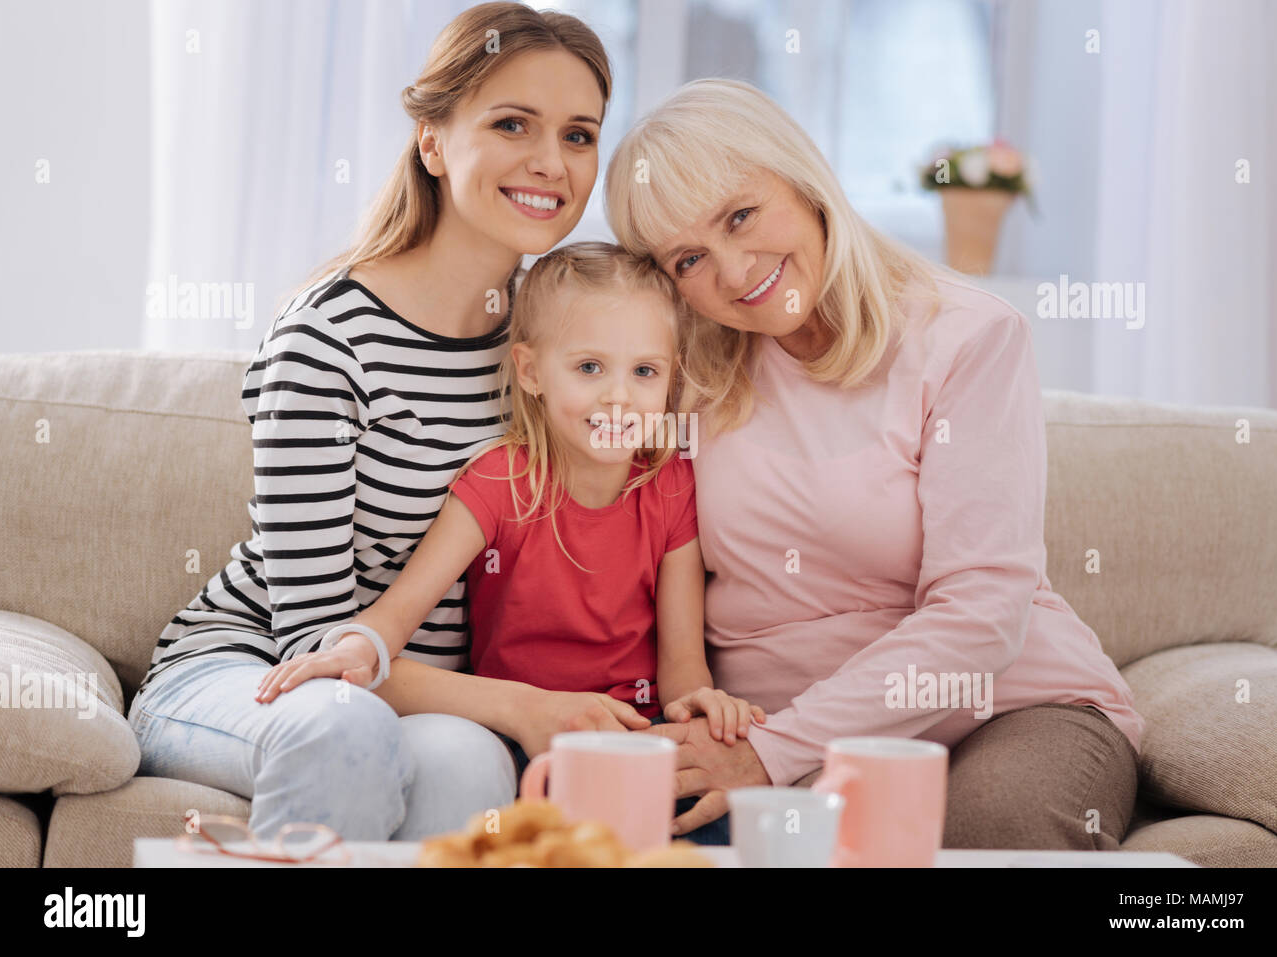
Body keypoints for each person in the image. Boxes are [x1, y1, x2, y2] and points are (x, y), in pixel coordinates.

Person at [604, 78, 1145, 850]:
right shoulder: (682, 370)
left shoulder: (966, 338)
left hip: (1007, 707)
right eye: (689, 257)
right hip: (755, 736)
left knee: (988, 830)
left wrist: (773, 751)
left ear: (803, 179)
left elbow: (982, 612)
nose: (731, 270)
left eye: (741, 215)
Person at [127, 2, 614, 841]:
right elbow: (315, 636)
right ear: (433, 141)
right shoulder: (327, 336)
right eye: (512, 123)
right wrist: (520, 703)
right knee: (345, 722)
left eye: (579, 134)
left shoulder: (555, 348)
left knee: (472, 762)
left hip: (414, 691)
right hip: (255, 670)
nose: (551, 161)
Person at [257, 242, 766, 847]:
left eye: (645, 372)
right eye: (589, 368)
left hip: (636, 738)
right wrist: (360, 647)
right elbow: (393, 618)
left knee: (725, 824)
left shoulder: (672, 486)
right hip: (521, 740)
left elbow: (682, 665)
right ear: (530, 371)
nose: (619, 398)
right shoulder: (499, 483)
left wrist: (702, 706)